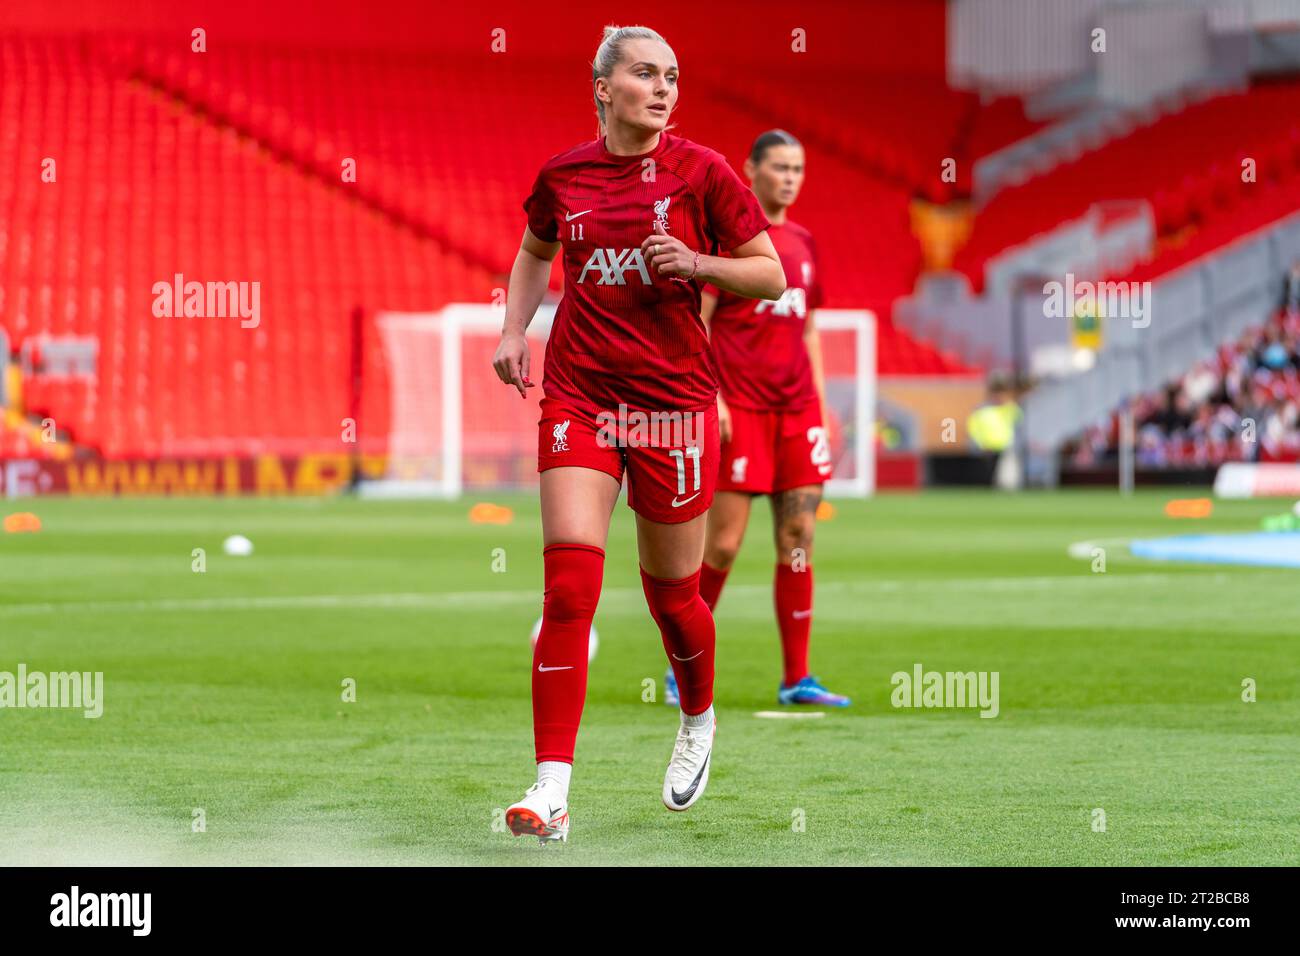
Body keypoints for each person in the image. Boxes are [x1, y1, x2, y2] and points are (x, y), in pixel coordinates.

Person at [491, 25, 785, 844]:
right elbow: (533, 249)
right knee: (568, 591)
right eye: (646, 73)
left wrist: (697, 265)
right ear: (604, 87)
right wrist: (516, 331)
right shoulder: (565, 173)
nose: (663, 89)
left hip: (674, 407)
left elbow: (770, 272)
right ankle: (551, 790)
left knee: (674, 598)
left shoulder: (704, 173)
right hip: (581, 397)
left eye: (673, 77)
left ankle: (697, 716)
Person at [665, 129, 851, 709]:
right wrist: (711, 395)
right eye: (780, 166)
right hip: (738, 407)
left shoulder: (805, 243)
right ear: (752, 170)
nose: (791, 176)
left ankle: (797, 676)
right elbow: (698, 315)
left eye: (798, 167)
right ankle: (680, 669)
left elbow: (810, 328)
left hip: (796, 411)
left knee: (799, 535)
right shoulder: (733, 239)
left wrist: (821, 405)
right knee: (722, 544)